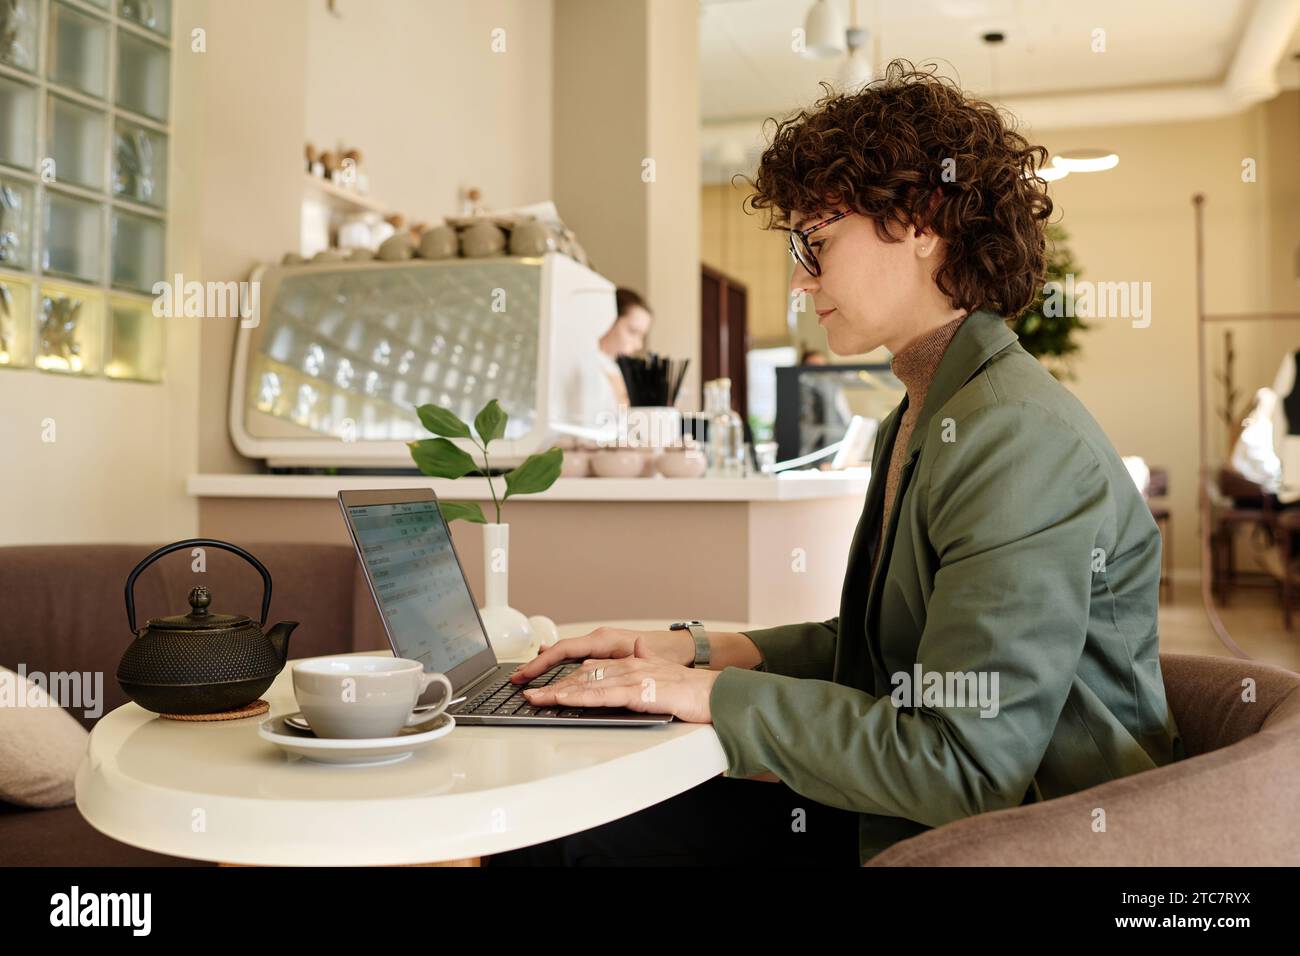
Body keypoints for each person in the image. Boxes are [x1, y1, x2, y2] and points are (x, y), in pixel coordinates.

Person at [488, 59, 1183, 867]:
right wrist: (693, 652)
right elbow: (884, 655)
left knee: (567, 837)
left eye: (815, 243)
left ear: (922, 220)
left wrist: (705, 694)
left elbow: (965, 766)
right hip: (925, 815)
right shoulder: (928, 415)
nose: (796, 278)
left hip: (1022, 843)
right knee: (582, 811)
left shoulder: (1013, 440)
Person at [596, 288, 654, 407]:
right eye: (632, 331)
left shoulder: (617, 369)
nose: (639, 345)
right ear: (609, 319)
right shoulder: (587, 364)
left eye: (642, 336)